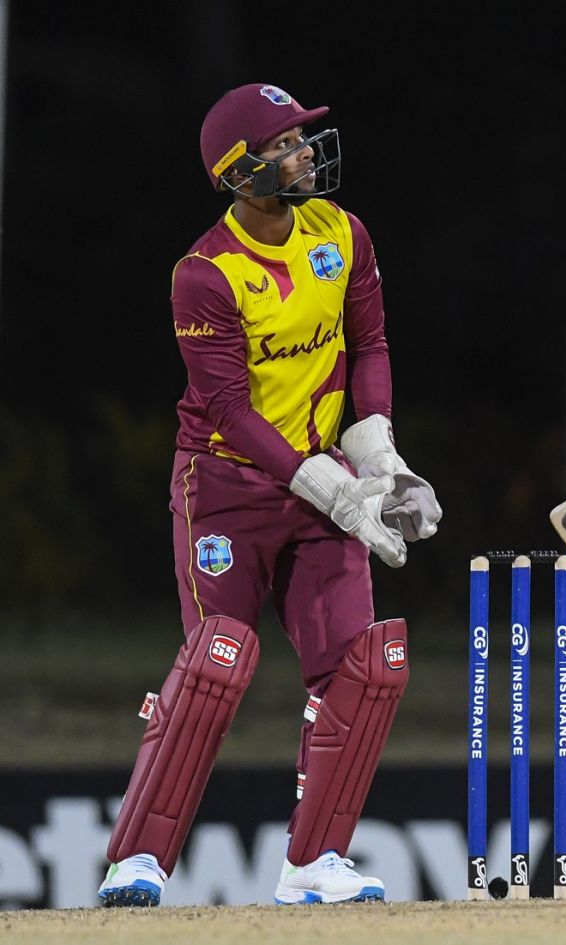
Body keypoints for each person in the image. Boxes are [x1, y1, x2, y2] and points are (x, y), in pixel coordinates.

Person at [97, 83, 442, 907]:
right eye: (286, 144)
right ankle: (135, 859)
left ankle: (314, 862)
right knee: (218, 657)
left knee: (363, 667)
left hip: (323, 472)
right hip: (224, 486)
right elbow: (228, 408)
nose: (304, 154)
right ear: (240, 173)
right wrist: (334, 487)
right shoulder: (204, 274)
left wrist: (382, 458)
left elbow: (369, 344)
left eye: (302, 139)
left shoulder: (341, 232)